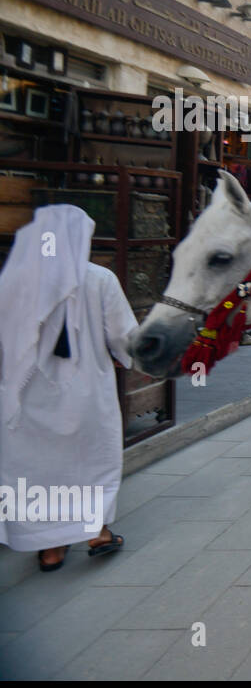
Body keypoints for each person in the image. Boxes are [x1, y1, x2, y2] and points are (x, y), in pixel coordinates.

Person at [0, 205, 137, 570]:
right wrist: (135, 359)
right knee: (89, 461)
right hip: (87, 391)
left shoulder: (12, 282)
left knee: (36, 469)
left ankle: (51, 549)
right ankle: (97, 532)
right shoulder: (99, 279)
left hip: (26, 396)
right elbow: (123, 335)